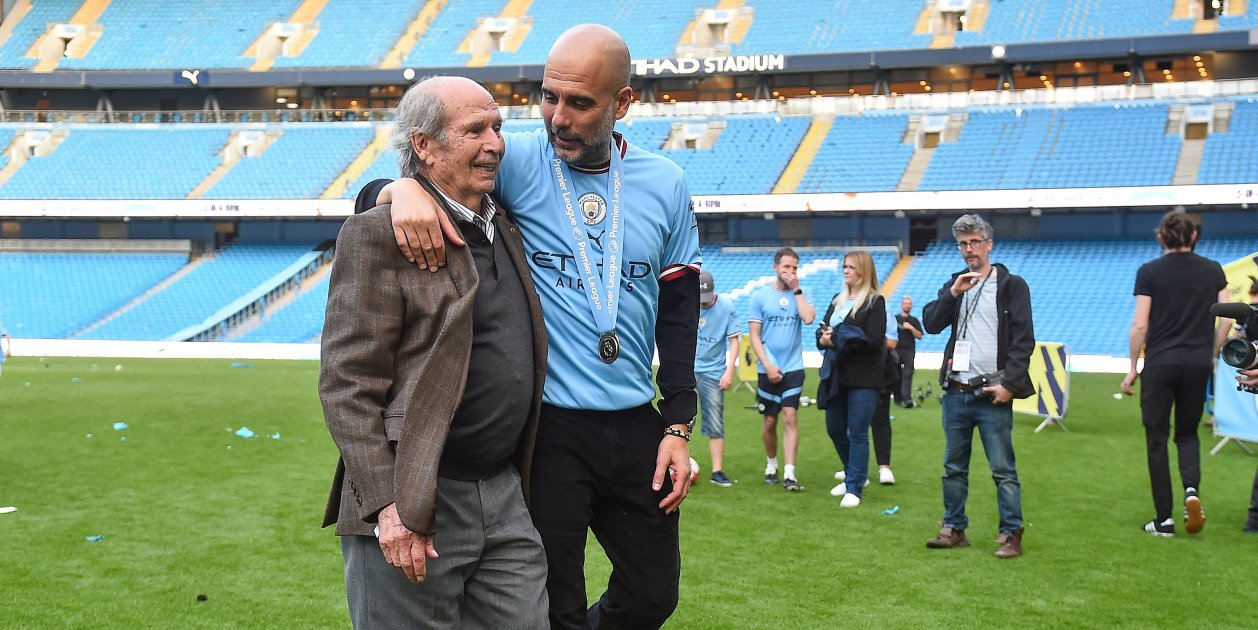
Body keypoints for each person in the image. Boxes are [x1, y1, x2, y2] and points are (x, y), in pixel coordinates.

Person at [363, 24, 701, 630]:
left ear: (622, 104)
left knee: (654, 594)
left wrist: (677, 422)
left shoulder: (667, 184)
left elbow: (678, 313)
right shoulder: (515, 161)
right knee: (556, 605)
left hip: (636, 423)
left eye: (580, 103)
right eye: (549, 97)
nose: (558, 119)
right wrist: (398, 188)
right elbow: (419, 178)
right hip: (550, 431)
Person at [319, 77, 549, 629]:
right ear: (424, 145)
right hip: (413, 495)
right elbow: (347, 385)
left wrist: (393, 186)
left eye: (497, 128)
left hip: (503, 492)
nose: (494, 143)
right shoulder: (378, 235)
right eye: (474, 130)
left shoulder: (506, 223)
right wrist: (388, 507)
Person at [923, 213, 1035, 559]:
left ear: (989, 244)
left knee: (1003, 469)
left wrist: (1011, 386)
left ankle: (1011, 532)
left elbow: (1023, 341)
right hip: (956, 390)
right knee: (953, 467)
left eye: (974, 242)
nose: (969, 249)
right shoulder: (956, 282)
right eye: (963, 244)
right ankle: (954, 527)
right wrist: (952, 295)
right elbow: (930, 323)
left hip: (992, 392)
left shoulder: (1011, 285)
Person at [1120, 210, 1230, 537]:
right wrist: (1210, 352)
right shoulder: (1213, 271)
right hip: (1197, 363)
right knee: (1187, 434)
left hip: (1160, 364)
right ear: (1193, 237)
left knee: (1156, 439)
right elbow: (1225, 318)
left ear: (1161, 238)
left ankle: (1164, 519)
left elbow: (1141, 324)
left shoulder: (1149, 272)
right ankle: (1192, 492)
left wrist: (1132, 368)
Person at [815, 251, 886, 508]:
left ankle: (855, 485)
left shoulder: (875, 302)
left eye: (851, 267)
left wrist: (837, 338)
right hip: (836, 375)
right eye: (844, 266)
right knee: (834, 428)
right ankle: (853, 472)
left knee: (857, 431)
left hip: (864, 377)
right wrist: (823, 338)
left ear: (863, 271)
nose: (845, 270)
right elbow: (823, 331)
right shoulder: (838, 300)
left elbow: (874, 340)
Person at [748, 247, 816, 491]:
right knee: (769, 422)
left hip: (793, 367)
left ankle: (790, 472)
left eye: (795, 268)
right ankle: (771, 463)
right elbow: (754, 335)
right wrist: (767, 364)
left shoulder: (803, 293)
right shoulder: (759, 297)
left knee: (790, 415)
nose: (790, 272)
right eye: (786, 267)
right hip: (767, 368)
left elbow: (808, 318)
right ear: (775, 267)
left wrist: (797, 288)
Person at [695, 271, 741, 487]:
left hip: (713, 371)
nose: (704, 304)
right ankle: (675, 467)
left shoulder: (727, 307)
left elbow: (734, 341)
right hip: (686, 370)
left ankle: (717, 471)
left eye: (707, 299)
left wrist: (729, 371)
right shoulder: (687, 304)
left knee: (715, 422)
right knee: (678, 420)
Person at [894, 296, 923, 407]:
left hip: (909, 351)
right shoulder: (895, 319)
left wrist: (911, 328)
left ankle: (907, 399)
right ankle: (898, 398)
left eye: (909, 303)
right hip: (896, 350)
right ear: (901, 305)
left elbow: (920, 335)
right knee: (896, 375)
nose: (907, 305)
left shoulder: (914, 320)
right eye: (905, 303)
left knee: (907, 374)